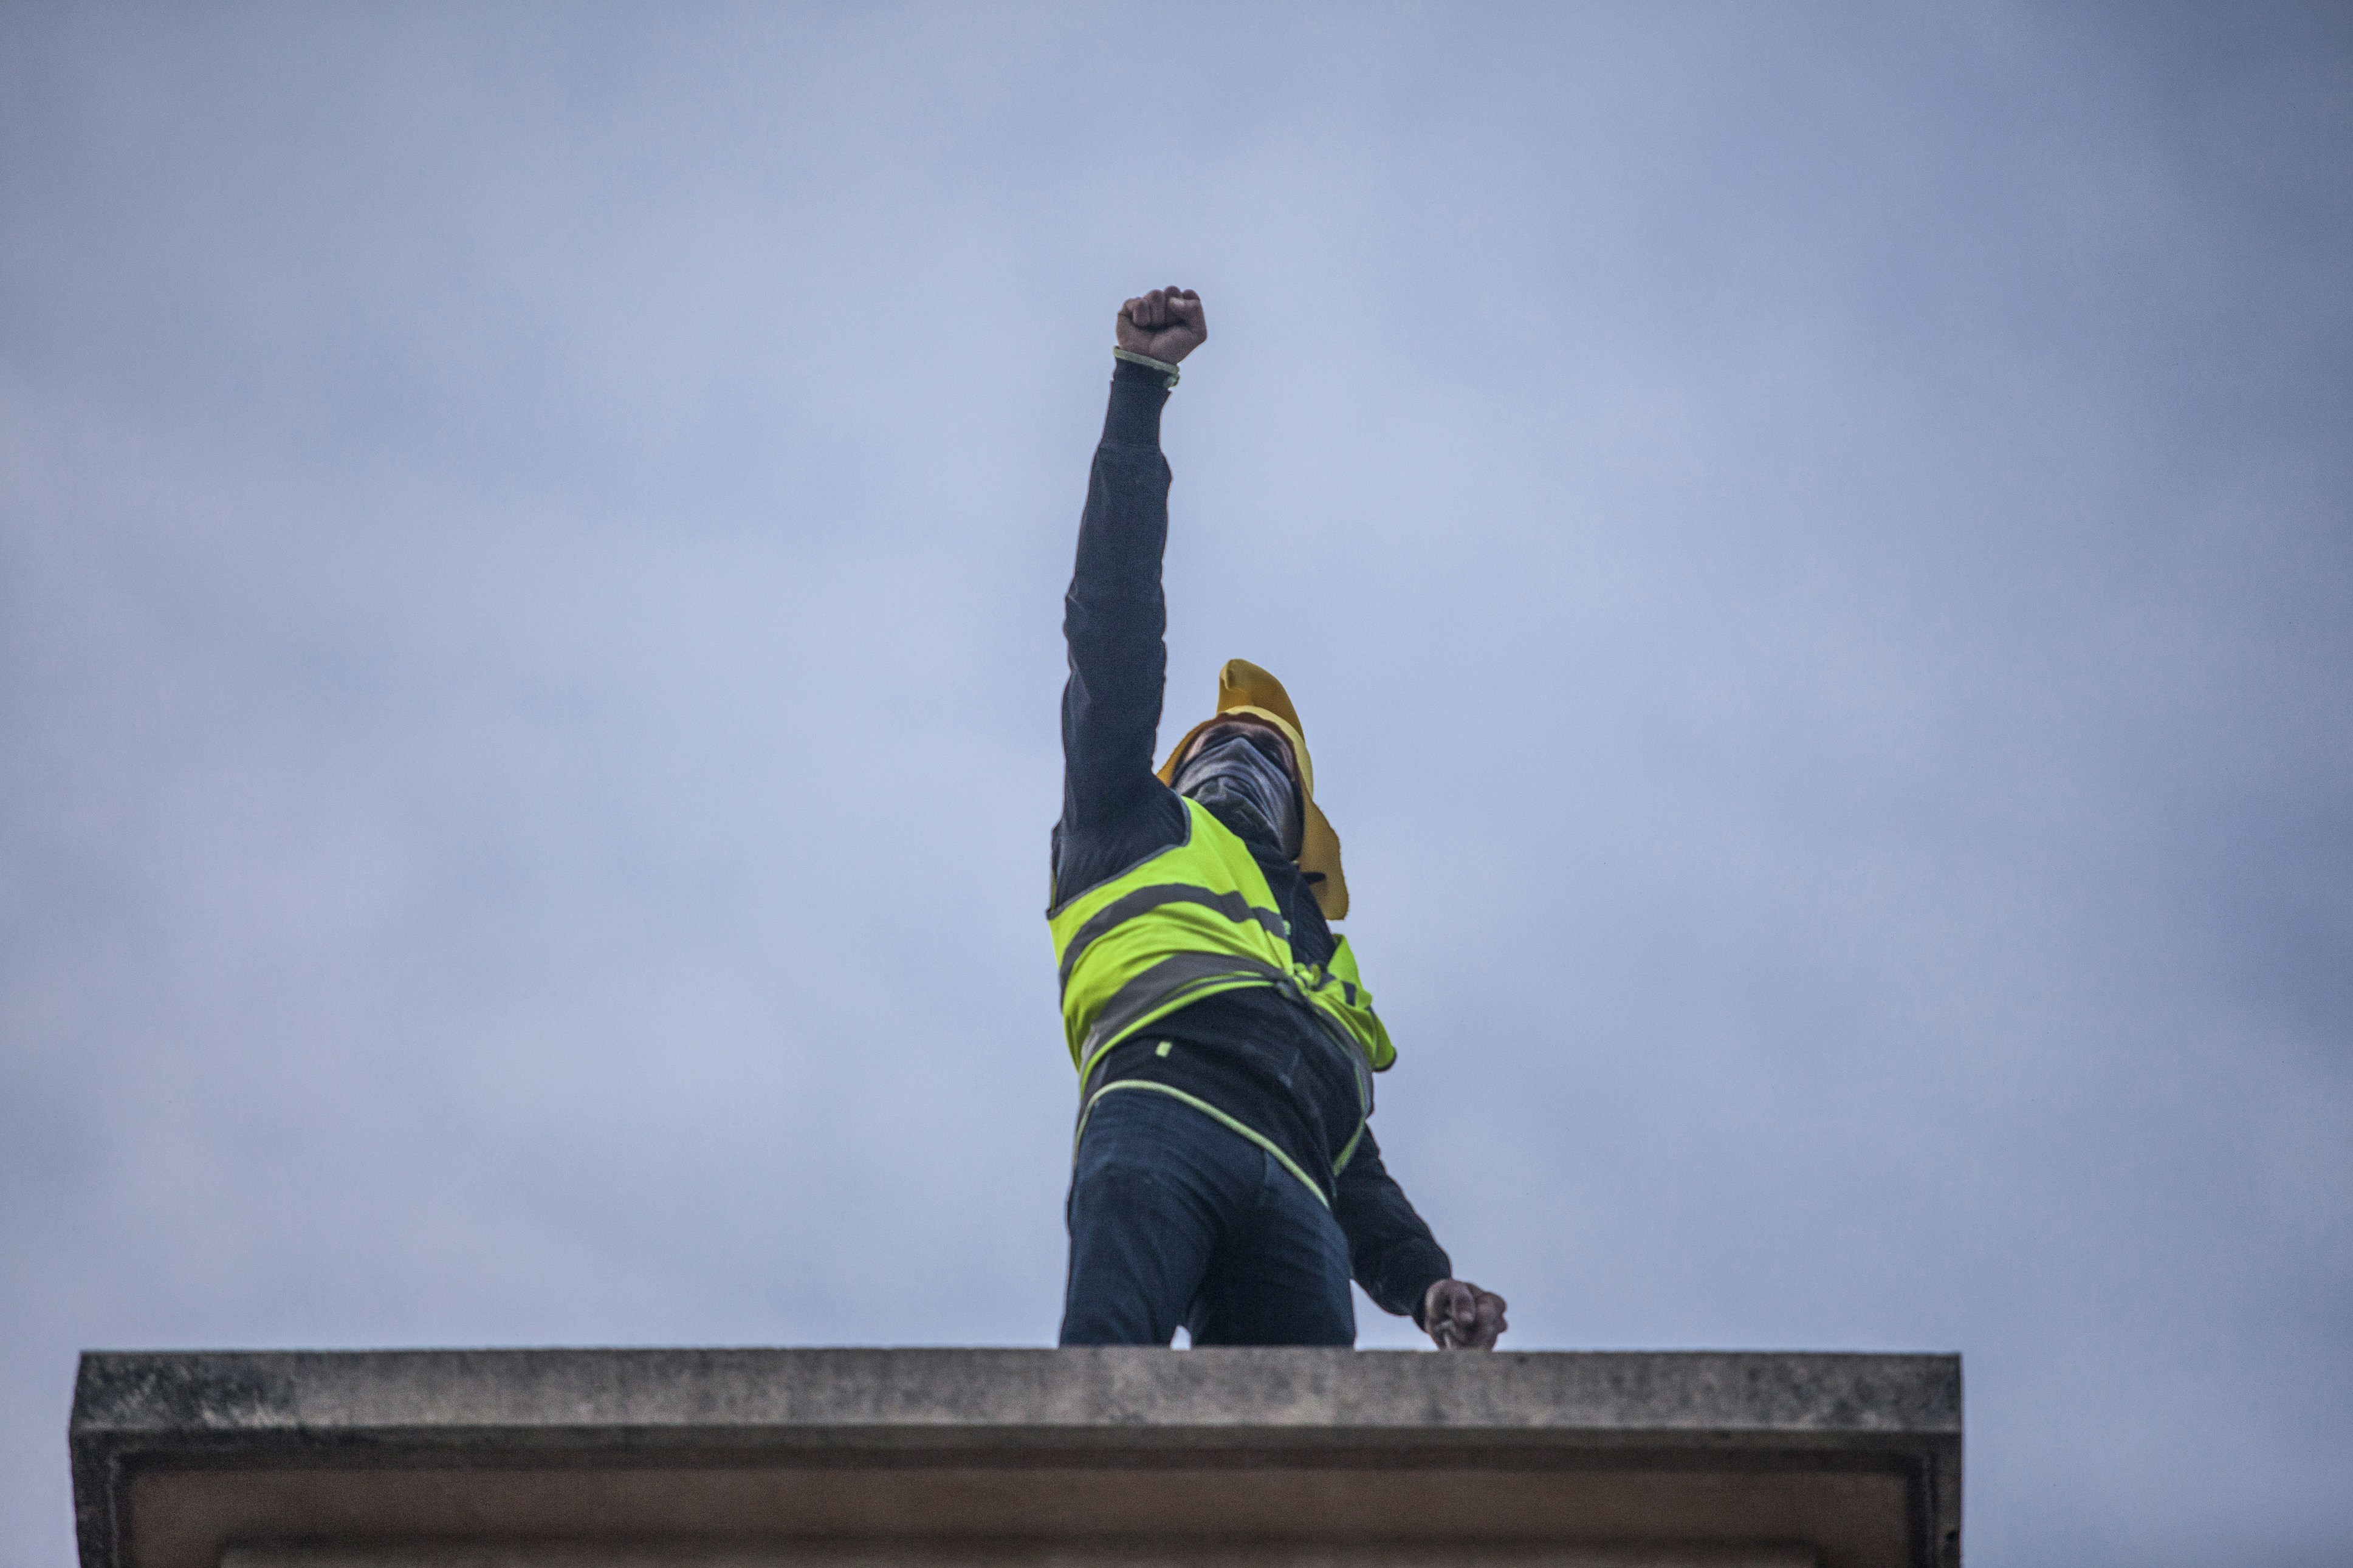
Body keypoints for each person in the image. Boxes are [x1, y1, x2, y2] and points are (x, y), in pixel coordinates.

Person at [1049, 284, 1508, 1351]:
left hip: (1301, 1189)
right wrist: (1140, 388)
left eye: (1269, 755)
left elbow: (1356, 1166)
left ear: (1302, 820)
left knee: (1302, 1479)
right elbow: (1113, 623)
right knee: (1104, 1393)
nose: (1241, 753)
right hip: (1158, 1109)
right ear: (1176, 766)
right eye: (1219, 742)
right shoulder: (1125, 819)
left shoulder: (1321, 957)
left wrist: (1426, 1282)